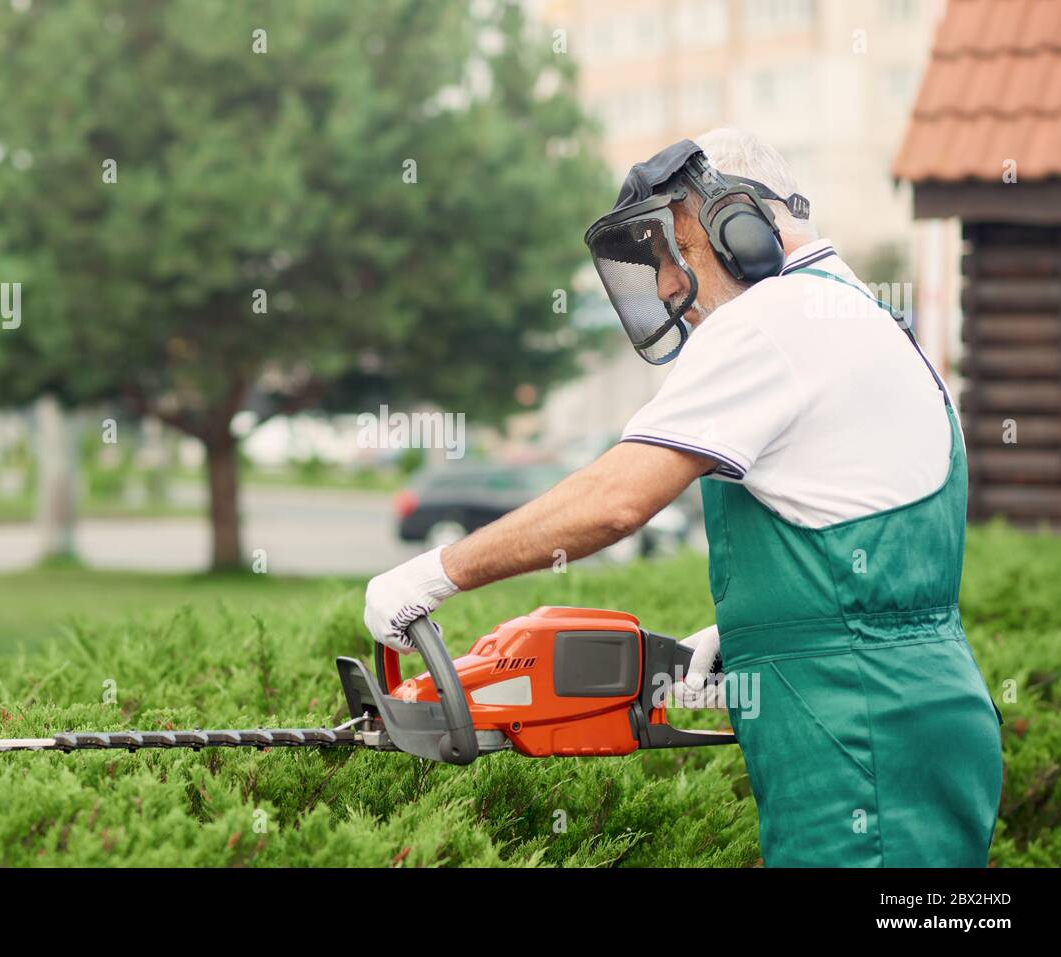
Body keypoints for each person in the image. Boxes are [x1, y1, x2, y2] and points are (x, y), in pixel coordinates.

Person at [362, 127, 1004, 867]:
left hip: (858, 738)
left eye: (674, 248)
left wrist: (436, 573)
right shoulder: (864, 320)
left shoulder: (772, 321)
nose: (667, 283)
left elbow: (615, 499)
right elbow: (870, 530)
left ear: (739, 222)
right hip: (916, 719)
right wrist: (766, 625)